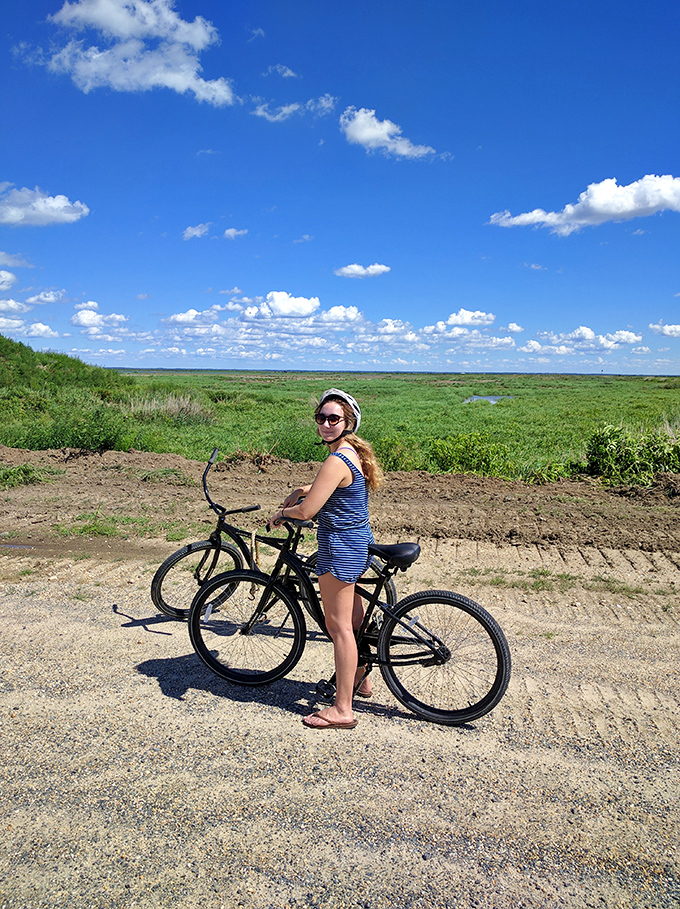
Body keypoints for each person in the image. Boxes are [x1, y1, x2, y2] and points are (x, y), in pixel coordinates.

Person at [269, 388, 383, 730]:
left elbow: (308, 511)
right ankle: (360, 679)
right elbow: (331, 486)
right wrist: (305, 489)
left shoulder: (336, 459)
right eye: (321, 418)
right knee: (356, 621)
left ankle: (342, 709)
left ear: (347, 421)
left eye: (334, 418)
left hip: (340, 548)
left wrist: (283, 513)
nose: (326, 424)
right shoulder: (352, 453)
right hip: (359, 542)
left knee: (340, 629)